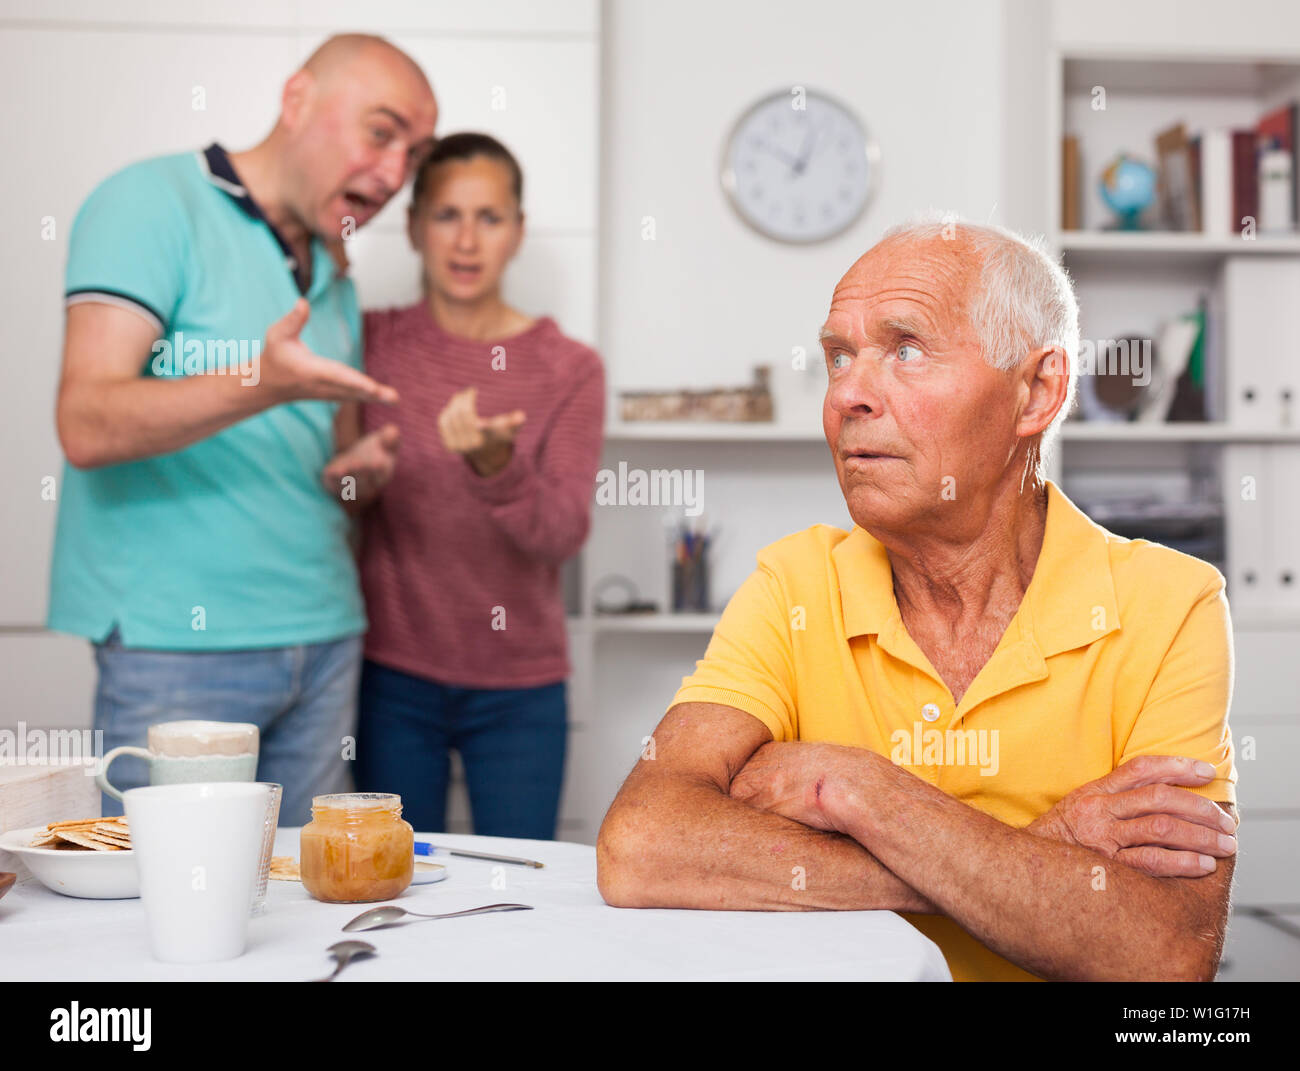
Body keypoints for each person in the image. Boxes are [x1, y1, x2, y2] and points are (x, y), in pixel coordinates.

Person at [596, 219, 1239, 982]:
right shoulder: (796, 582)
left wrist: (858, 791)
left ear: (1038, 391)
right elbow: (641, 843)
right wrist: (1037, 847)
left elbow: (1165, 952)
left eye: (906, 349)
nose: (847, 396)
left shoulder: (1172, 602)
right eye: (839, 356)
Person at [49, 34, 437, 826]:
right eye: (380, 131)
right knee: (167, 913)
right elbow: (85, 422)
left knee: (303, 908)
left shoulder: (332, 269)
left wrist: (361, 472)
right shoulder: (149, 202)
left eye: (415, 153)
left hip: (327, 638)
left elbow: (335, 473)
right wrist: (262, 381)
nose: (397, 174)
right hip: (177, 649)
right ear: (297, 101)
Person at [338, 133, 605, 839]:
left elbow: (564, 532)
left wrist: (497, 468)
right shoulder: (367, 344)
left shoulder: (569, 367)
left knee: (517, 897)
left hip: (521, 687)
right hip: (391, 676)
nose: (466, 240)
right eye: (447, 215)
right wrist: (355, 484)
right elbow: (331, 496)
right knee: (394, 883)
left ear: (517, 231)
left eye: (489, 218)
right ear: (415, 226)